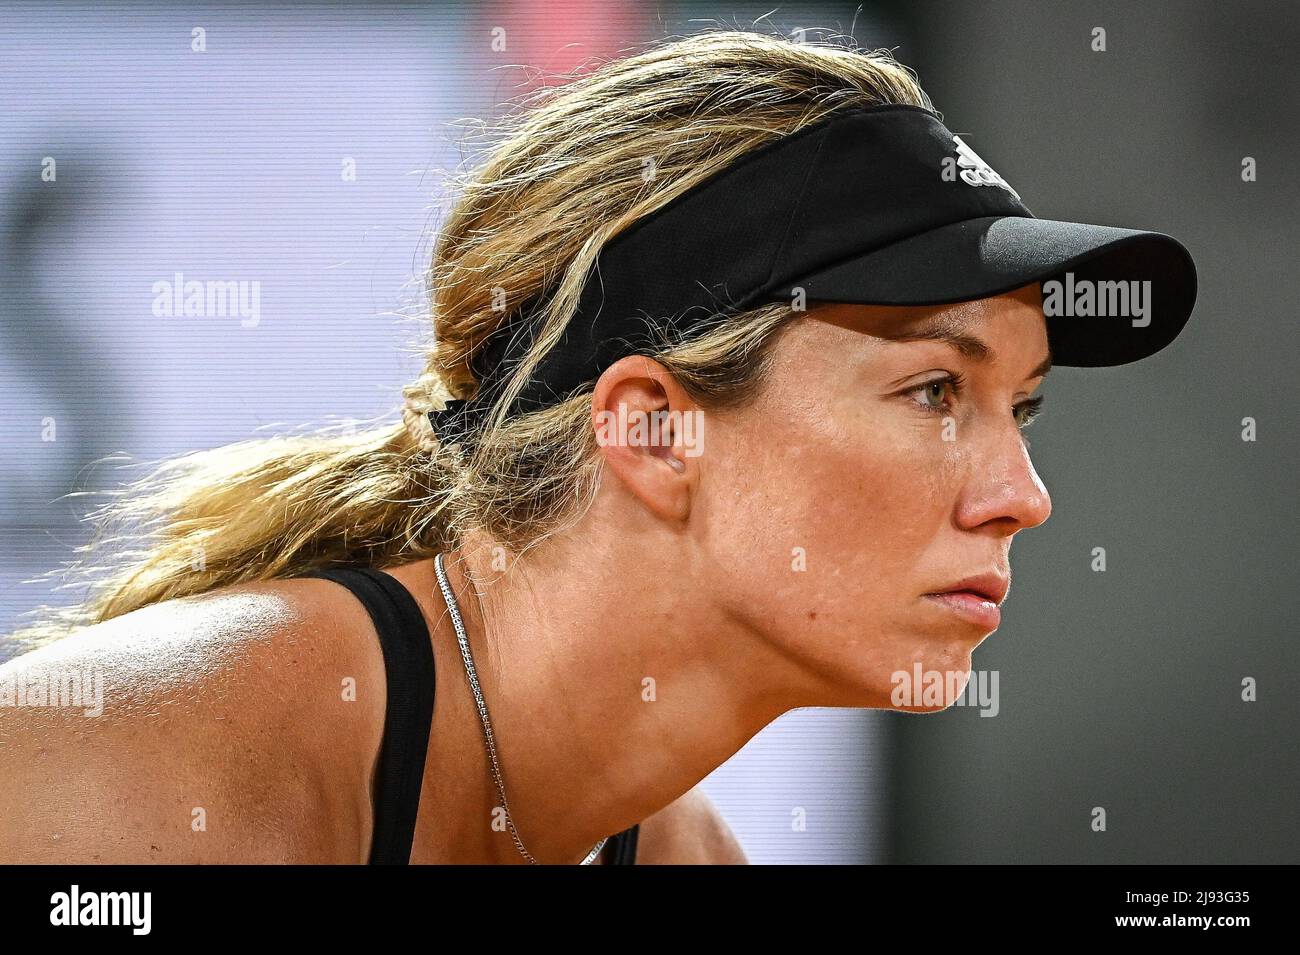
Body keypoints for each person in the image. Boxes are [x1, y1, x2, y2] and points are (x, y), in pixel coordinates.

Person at [0, 30, 1195, 865]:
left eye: (1020, 407)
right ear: (652, 429)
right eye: (936, 389)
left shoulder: (678, 851)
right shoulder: (125, 786)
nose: (1021, 497)